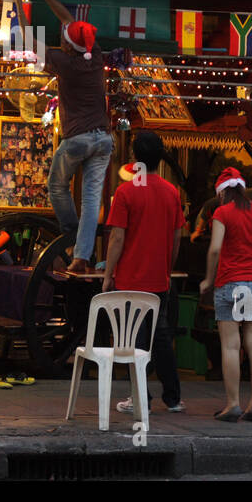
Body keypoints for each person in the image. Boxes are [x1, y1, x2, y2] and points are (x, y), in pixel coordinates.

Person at [18, 0, 112, 274]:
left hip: (77, 139)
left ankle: (70, 235)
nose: (60, 37)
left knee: (57, 186)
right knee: (91, 199)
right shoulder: (92, 55)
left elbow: (28, 40)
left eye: (62, 38)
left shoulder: (63, 62)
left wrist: (21, 1)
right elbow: (70, 22)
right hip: (104, 139)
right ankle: (81, 257)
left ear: (66, 46)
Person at [103, 131, 186, 415]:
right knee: (160, 337)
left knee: (133, 340)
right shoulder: (171, 192)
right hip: (159, 279)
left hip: (130, 279)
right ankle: (173, 398)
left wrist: (108, 273)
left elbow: (117, 238)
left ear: (135, 158)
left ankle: (140, 397)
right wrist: (167, 267)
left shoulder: (126, 191)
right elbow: (177, 238)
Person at [199, 167, 252, 422]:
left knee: (231, 346)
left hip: (229, 284)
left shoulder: (222, 212)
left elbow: (214, 250)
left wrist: (208, 280)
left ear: (223, 193)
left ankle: (233, 403)